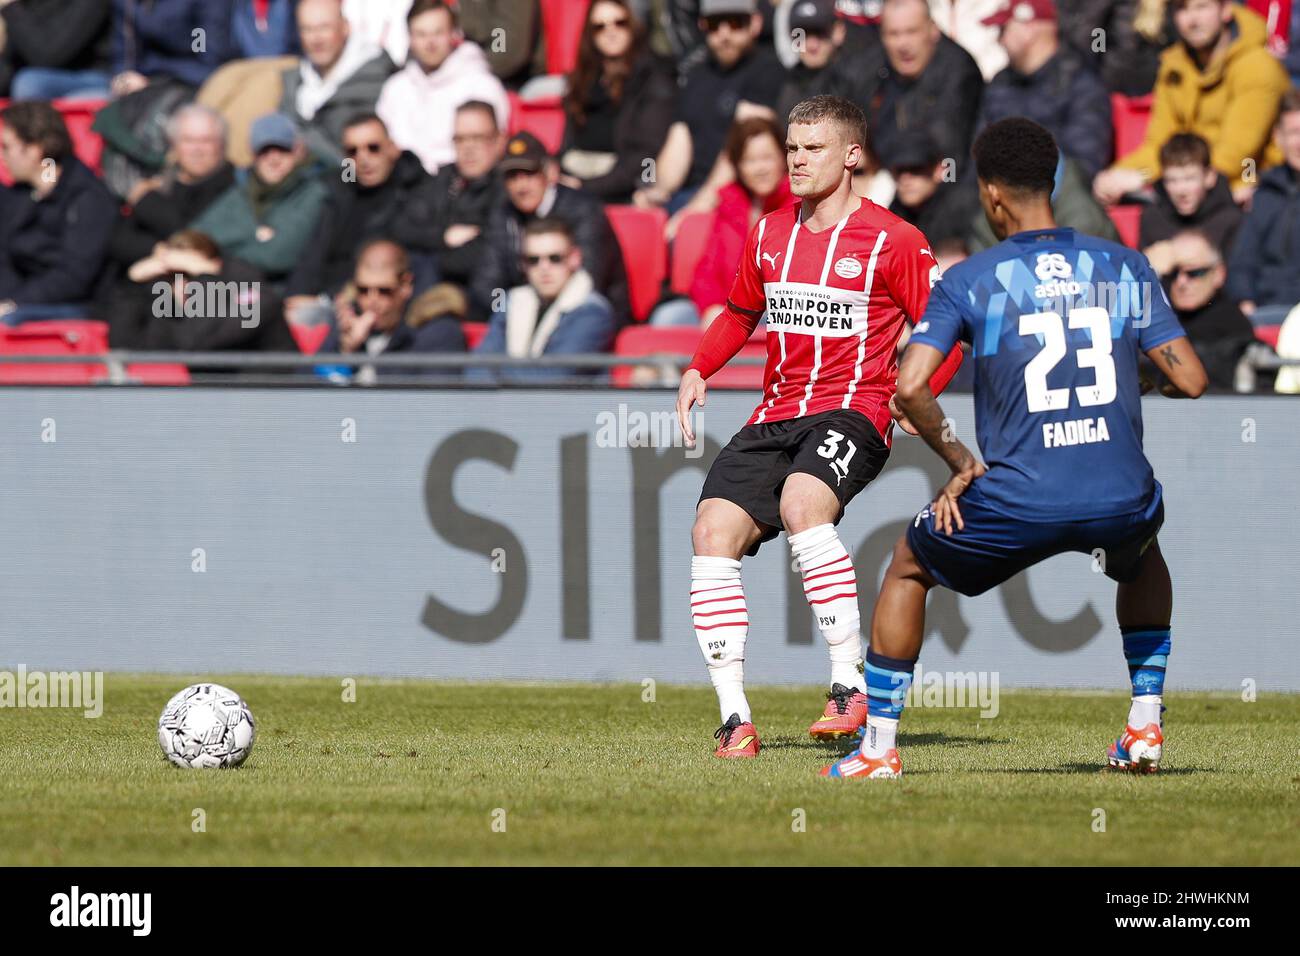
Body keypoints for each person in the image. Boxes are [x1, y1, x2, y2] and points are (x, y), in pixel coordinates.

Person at [821, 118, 1208, 779]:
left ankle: (879, 749)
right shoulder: (1122, 264)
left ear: (992, 196)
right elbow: (1191, 380)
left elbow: (909, 389)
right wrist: (1130, 379)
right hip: (1118, 495)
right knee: (1142, 551)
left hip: (1018, 497)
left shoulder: (971, 279)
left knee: (910, 564)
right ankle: (1145, 724)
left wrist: (960, 461)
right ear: (1052, 183)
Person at [673, 94, 964, 759]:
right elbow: (740, 313)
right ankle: (734, 718)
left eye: (813, 149)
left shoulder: (894, 239)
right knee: (709, 531)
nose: (798, 160)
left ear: (852, 156)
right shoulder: (770, 231)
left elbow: (949, 334)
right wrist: (699, 368)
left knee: (803, 503)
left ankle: (846, 684)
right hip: (775, 413)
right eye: (793, 148)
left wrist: (919, 397)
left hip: (855, 408)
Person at [1093, 0, 1291, 206]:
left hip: (1250, 189)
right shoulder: (1174, 67)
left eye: (1202, 7)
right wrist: (1120, 174)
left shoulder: (1258, 66)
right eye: (1182, 9)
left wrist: (1147, 179)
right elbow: (1159, 145)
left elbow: (1235, 158)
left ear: (1225, 10)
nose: (1192, 20)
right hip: (1188, 185)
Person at [631, 0, 785, 217]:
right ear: (703, 26)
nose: (724, 34)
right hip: (690, 193)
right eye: (714, 24)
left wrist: (693, 212)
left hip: (737, 199)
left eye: (735, 23)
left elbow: (745, 150)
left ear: (755, 24)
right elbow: (680, 141)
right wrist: (656, 193)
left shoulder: (768, 71)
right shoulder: (696, 75)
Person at [284, 112, 440, 318]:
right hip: (323, 300)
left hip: (373, 304)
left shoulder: (416, 193)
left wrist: (325, 300)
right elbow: (313, 256)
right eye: (353, 151)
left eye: (373, 148)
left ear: (392, 149)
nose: (363, 158)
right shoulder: (340, 191)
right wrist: (295, 296)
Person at [471, 131, 631, 326]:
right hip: (521, 316)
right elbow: (487, 283)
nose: (521, 185)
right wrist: (510, 309)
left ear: (551, 173)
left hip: (586, 316)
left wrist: (534, 312)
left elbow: (589, 280)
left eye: (529, 173)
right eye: (512, 176)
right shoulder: (503, 213)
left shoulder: (583, 210)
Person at [830, 0, 984, 176]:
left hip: (942, 182)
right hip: (882, 177)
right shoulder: (866, 68)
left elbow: (946, 151)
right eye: (893, 34)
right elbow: (836, 110)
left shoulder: (960, 71)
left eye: (912, 32)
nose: (903, 44)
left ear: (933, 30)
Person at [0, 101, 116, 325]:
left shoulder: (89, 199)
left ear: (35, 150)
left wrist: (16, 301)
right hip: (22, 299)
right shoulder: (20, 195)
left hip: (75, 306)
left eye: (7, 147)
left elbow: (73, 276)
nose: (2, 156)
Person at [976, 0, 1112, 182]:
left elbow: (1083, 165)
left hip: (1051, 202)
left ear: (1029, 29)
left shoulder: (1081, 85)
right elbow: (975, 156)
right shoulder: (1000, 84)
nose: (998, 40)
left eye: (1003, 30)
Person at [556, 0, 677, 205]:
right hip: (575, 174)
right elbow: (567, 144)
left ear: (633, 26)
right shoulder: (582, 79)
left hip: (620, 186)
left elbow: (644, 156)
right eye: (599, 27)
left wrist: (585, 188)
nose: (610, 32)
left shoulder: (653, 77)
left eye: (619, 23)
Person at [470, 219, 618, 381]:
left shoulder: (593, 312)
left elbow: (553, 377)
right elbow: (479, 365)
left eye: (555, 258)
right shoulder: (510, 301)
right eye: (533, 260)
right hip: (505, 404)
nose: (544, 267)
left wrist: (497, 370)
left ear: (575, 258)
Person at [375, 0, 510, 177]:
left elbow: (492, 150)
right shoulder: (395, 88)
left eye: (438, 33)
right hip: (406, 186)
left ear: (454, 34)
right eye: (421, 34)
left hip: (461, 186)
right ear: (410, 38)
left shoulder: (482, 84)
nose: (430, 43)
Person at [190, 113, 329, 285]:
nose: (274, 159)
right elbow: (194, 237)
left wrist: (215, 258)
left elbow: (276, 257)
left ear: (297, 152)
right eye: (265, 151)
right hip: (230, 288)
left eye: (282, 150)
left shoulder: (311, 192)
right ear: (253, 154)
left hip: (275, 294)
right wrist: (254, 233)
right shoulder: (243, 189)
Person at [108, 229, 297, 353]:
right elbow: (123, 348)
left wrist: (205, 278)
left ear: (216, 267)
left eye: (191, 275)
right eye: (174, 275)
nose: (184, 285)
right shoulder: (167, 301)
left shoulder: (257, 300)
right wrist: (132, 286)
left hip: (273, 403)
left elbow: (196, 343)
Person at [684, 116, 794, 328]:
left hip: (775, 312)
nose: (760, 168)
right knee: (670, 317)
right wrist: (710, 308)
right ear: (737, 165)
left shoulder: (800, 204)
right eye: (750, 160)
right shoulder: (729, 203)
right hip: (727, 307)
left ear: (784, 158)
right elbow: (707, 270)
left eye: (767, 158)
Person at [318, 238, 465, 383]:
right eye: (363, 290)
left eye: (384, 291)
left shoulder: (437, 331)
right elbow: (307, 390)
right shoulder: (348, 320)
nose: (371, 302)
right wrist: (346, 352)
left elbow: (437, 401)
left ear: (405, 286)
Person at [108, 104, 236, 269]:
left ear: (221, 145)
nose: (197, 149)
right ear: (174, 145)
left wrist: (147, 202)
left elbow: (199, 239)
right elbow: (118, 240)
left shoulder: (233, 186)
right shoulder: (163, 182)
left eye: (206, 140)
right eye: (188, 140)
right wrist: (158, 249)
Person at [280, 0, 396, 165]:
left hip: (353, 180)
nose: (316, 39)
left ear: (345, 27)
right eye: (307, 29)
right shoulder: (294, 85)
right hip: (305, 184)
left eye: (324, 28)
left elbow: (354, 164)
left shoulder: (377, 81)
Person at [1227, 89, 1300, 325]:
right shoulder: (1265, 195)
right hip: (1267, 312)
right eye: (1294, 133)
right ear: (1279, 138)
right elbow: (1242, 261)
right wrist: (1244, 301)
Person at [1159, 229, 1258, 391]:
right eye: (1173, 272)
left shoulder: (1233, 324)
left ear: (1218, 274)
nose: (1181, 282)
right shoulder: (1156, 315)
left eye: (1194, 273)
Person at [426, 101, 507, 293]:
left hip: (487, 297)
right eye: (460, 139)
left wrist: (433, 253)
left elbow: (483, 254)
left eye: (477, 138)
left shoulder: (509, 188)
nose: (468, 148)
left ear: (500, 140)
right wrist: (443, 237)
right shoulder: (443, 179)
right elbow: (402, 228)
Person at [1139, 132, 1243, 264]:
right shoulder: (1152, 218)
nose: (1181, 190)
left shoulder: (1231, 221)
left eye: (1190, 178)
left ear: (1209, 177)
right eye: (1172, 180)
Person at [2, 0, 113, 101]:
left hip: (93, 77)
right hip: (38, 74)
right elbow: (12, 61)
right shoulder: (31, 4)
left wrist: (11, 8)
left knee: (28, 84)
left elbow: (48, 56)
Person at [886, 131, 980, 247]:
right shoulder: (892, 213)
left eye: (915, 169)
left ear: (939, 170)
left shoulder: (963, 208)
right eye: (899, 171)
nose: (905, 179)